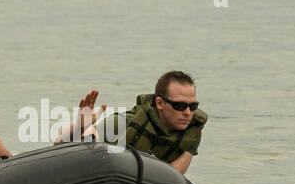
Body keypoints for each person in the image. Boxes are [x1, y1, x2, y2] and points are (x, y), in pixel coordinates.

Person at [55, 71, 207, 174]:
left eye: (193, 106)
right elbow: (59, 146)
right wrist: (80, 127)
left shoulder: (192, 133)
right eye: (179, 106)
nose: (188, 112)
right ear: (160, 103)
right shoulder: (123, 123)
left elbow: (173, 177)